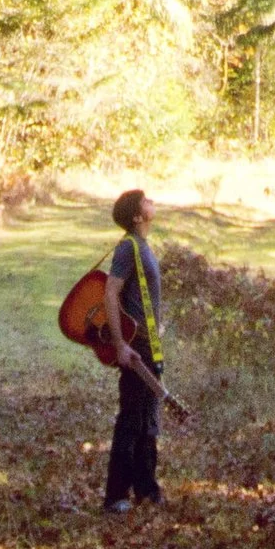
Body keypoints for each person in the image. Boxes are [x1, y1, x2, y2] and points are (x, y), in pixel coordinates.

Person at [102, 186, 166, 512]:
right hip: (135, 348)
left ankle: (146, 489)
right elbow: (110, 293)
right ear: (138, 215)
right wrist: (120, 344)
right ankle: (115, 496)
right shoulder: (129, 247)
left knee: (147, 420)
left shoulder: (143, 246)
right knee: (131, 420)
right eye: (145, 199)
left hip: (150, 346)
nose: (151, 200)